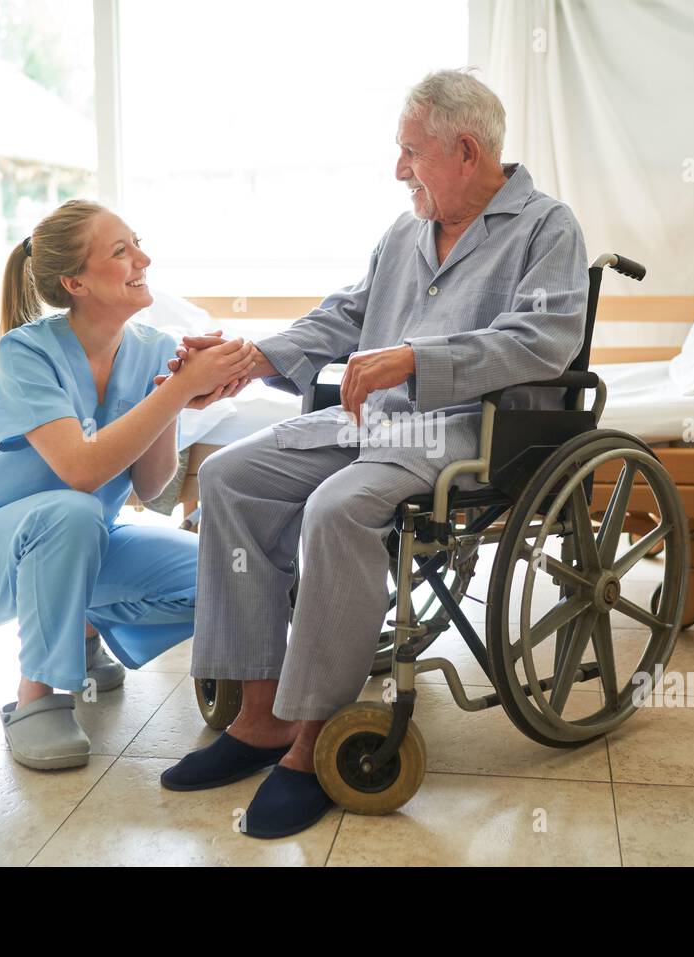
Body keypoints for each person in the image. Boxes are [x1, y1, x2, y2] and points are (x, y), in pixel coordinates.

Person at [160, 70, 589, 837]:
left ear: (465, 149)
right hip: (371, 425)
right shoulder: (405, 231)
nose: (398, 169)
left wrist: (416, 360)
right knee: (228, 476)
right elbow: (348, 315)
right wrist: (246, 359)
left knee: (337, 507)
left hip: (462, 434)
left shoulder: (546, 227)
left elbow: (545, 341)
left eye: (410, 151)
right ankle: (259, 718)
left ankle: (313, 735)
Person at [0, 199, 253, 770]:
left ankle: (82, 628)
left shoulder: (151, 349)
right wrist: (176, 391)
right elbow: (81, 470)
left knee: (226, 572)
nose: (143, 258)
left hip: (85, 539)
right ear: (75, 282)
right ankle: (37, 699)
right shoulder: (27, 352)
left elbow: (150, 484)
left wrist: (176, 396)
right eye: (121, 251)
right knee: (71, 510)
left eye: (137, 243)